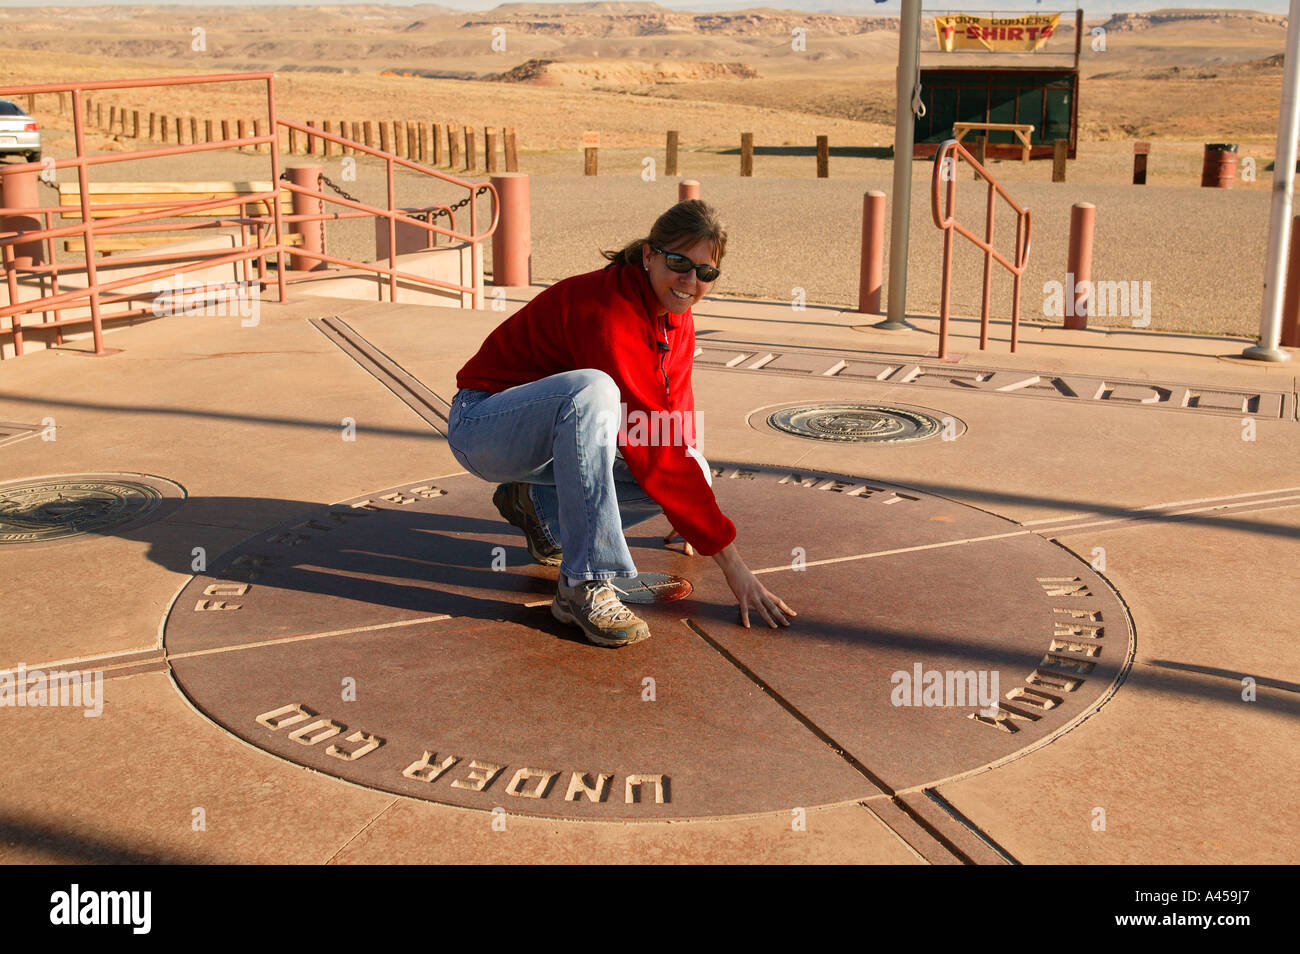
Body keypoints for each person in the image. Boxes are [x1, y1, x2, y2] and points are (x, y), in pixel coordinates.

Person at [448, 199, 795, 648]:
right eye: (678, 263)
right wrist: (733, 565)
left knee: (696, 470)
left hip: (547, 442)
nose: (690, 282)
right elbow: (648, 440)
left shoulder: (676, 316)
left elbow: (672, 422)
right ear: (649, 255)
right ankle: (582, 585)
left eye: (705, 273)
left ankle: (540, 511)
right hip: (484, 426)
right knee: (594, 392)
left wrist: (686, 516)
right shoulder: (609, 310)